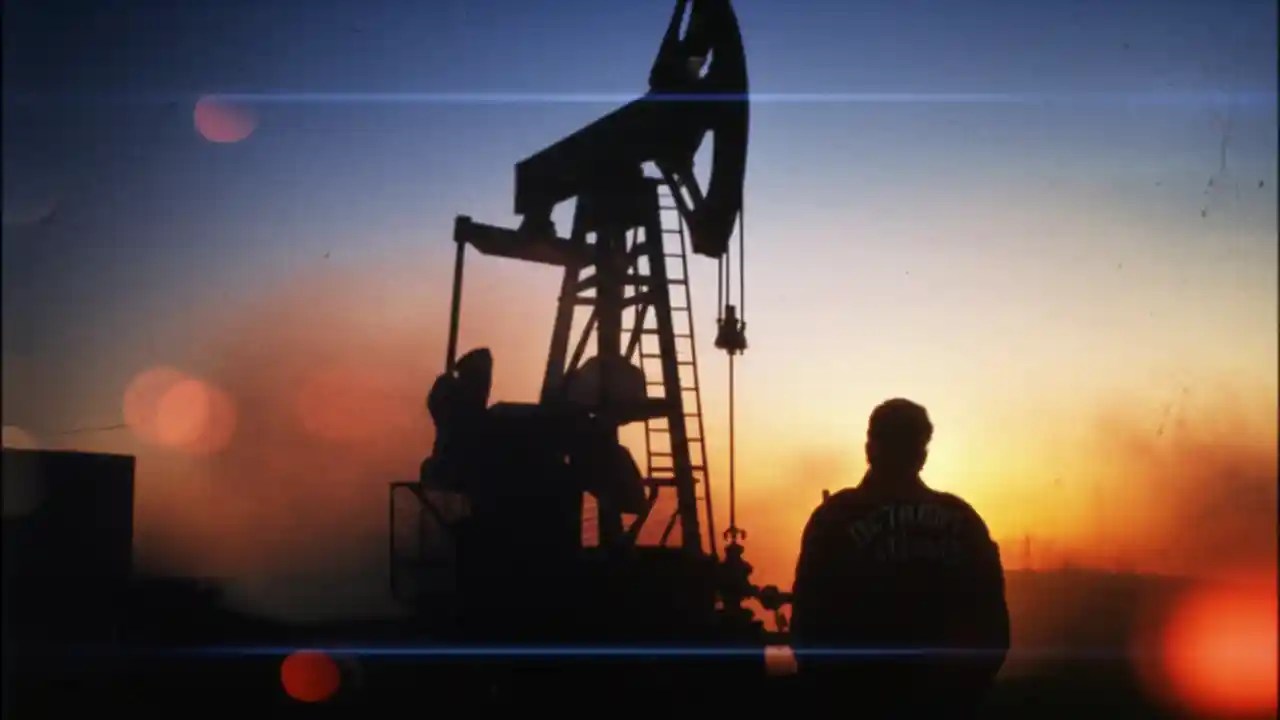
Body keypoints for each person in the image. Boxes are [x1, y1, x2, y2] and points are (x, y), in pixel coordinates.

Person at [789, 398, 1010, 717]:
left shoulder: (835, 518)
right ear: (922, 453)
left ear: (870, 447)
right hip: (946, 703)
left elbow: (808, 628)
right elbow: (993, 629)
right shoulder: (962, 519)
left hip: (856, 700)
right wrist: (962, 694)